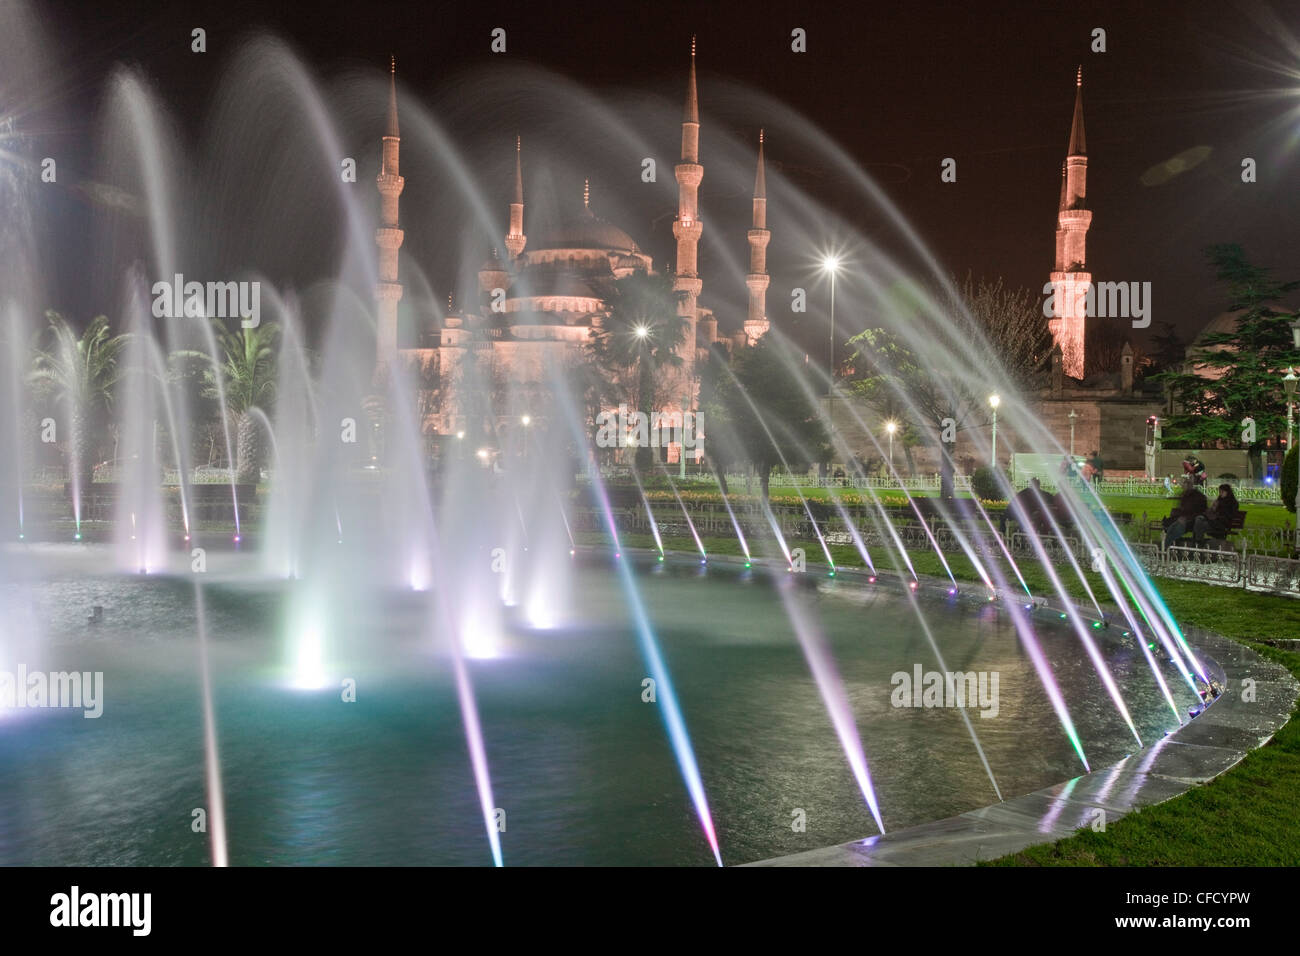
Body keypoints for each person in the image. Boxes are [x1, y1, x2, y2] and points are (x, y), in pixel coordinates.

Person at [1162, 476, 1208, 548]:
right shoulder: (1186, 495)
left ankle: (1166, 549)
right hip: (1185, 520)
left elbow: (1197, 511)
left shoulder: (1196, 496)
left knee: (1174, 530)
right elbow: (1184, 510)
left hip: (1190, 522)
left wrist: (1184, 517)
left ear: (1189, 485)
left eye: (1184, 484)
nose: (1182, 486)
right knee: (1171, 529)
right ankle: (1166, 549)